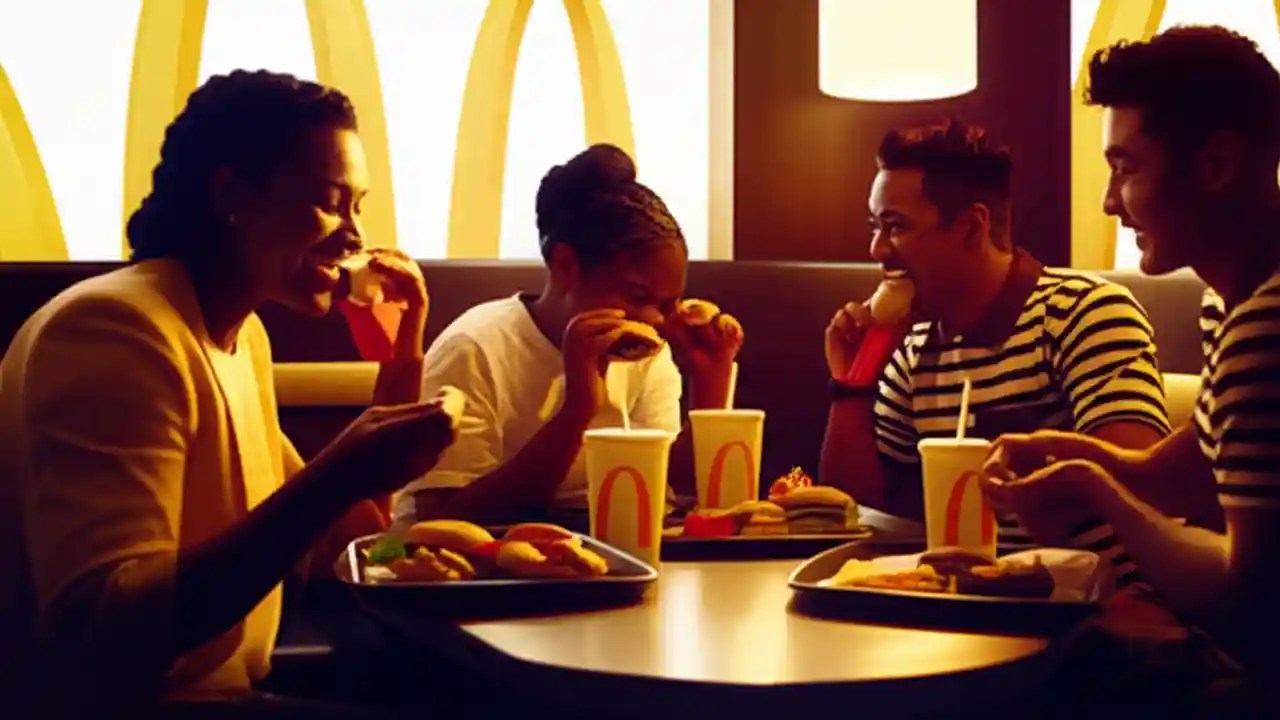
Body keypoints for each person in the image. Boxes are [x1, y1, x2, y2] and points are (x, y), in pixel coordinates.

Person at [0, 70, 454, 717]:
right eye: (330, 201)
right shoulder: (115, 328)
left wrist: (406, 350)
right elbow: (100, 631)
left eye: (358, 206)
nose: (354, 234)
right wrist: (337, 474)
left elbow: (357, 540)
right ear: (232, 191)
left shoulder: (239, 337)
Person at [982, 26, 1280, 696]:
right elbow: (1192, 477)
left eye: (1126, 168)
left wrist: (1096, 493)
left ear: (1216, 165)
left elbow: (1251, 610)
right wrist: (1078, 459)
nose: (1109, 203)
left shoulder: (1267, 326)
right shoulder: (1231, 302)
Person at [820, 120, 1180, 541]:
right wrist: (853, 382)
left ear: (973, 227)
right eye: (875, 228)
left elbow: (1138, 486)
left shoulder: (1085, 313)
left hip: (1091, 596)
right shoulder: (913, 354)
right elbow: (855, 516)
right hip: (957, 596)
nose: (877, 250)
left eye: (896, 226)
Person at [402, 144, 742, 524]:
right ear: (566, 266)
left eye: (667, 304)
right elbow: (444, 516)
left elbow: (663, 490)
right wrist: (578, 409)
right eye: (637, 296)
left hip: (603, 565)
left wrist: (710, 384)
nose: (655, 320)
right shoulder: (475, 348)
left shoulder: (646, 353)